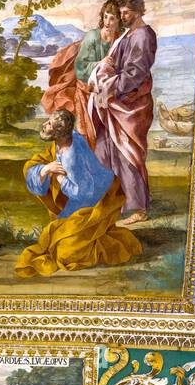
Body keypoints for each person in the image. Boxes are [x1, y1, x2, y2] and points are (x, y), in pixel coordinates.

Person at [16, 109, 142, 278]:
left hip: (99, 200)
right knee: (53, 238)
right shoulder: (68, 138)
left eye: (50, 124)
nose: (44, 125)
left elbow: (84, 193)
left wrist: (61, 181)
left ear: (60, 132)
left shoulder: (71, 157)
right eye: (48, 121)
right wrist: (46, 169)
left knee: (64, 252)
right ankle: (93, 236)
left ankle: (109, 242)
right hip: (83, 201)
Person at [88, 0, 157, 224]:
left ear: (138, 12)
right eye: (122, 12)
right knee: (106, 150)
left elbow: (136, 73)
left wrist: (110, 86)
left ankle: (138, 208)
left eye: (126, 12)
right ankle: (112, 203)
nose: (122, 16)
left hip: (132, 105)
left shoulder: (143, 36)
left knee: (128, 154)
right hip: (117, 103)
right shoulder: (129, 35)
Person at [41, 0, 124, 147]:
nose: (108, 22)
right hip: (87, 91)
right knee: (87, 133)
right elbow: (80, 68)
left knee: (107, 137)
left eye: (112, 18)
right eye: (105, 17)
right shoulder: (92, 37)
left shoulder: (119, 40)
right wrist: (100, 63)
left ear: (119, 20)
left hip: (107, 92)